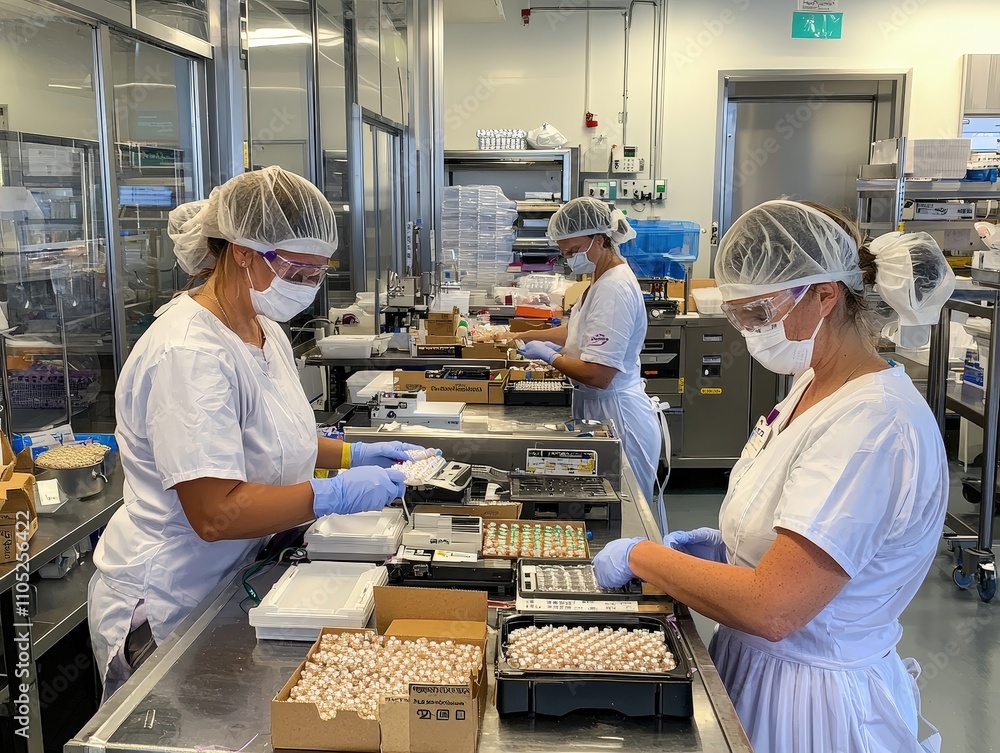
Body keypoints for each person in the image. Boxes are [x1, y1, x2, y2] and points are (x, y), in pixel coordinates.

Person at [592, 199, 955, 752]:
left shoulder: (873, 423)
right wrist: (730, 551)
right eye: (738, 317)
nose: (750, 334)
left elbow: (775, 606)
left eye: (759, 314)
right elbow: (796, 528)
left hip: (813, 706)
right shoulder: (813, 386)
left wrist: (644, 557)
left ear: (825, 294)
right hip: (757, 671)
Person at [89, 167, 428, 700]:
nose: (309, 285)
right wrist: (332, 495)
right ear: (242, 251)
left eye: (320, 272)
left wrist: (354, 453)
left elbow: (276, 437)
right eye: (298, 268)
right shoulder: (190, 354)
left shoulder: (262, 327)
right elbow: (215, 512)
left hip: (238, 575)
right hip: (177, 597)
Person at [502, 197, 665, 527]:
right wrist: (532, 335)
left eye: (572, 249)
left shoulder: (614, 289)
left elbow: (599, 374)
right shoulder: (601, 280)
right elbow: (579, 330)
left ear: (600, 239)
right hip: (599, 411)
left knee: (623, 520)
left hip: (617, 416)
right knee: (600, 514)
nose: (568, 258)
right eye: (563, 251)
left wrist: (551, 357)